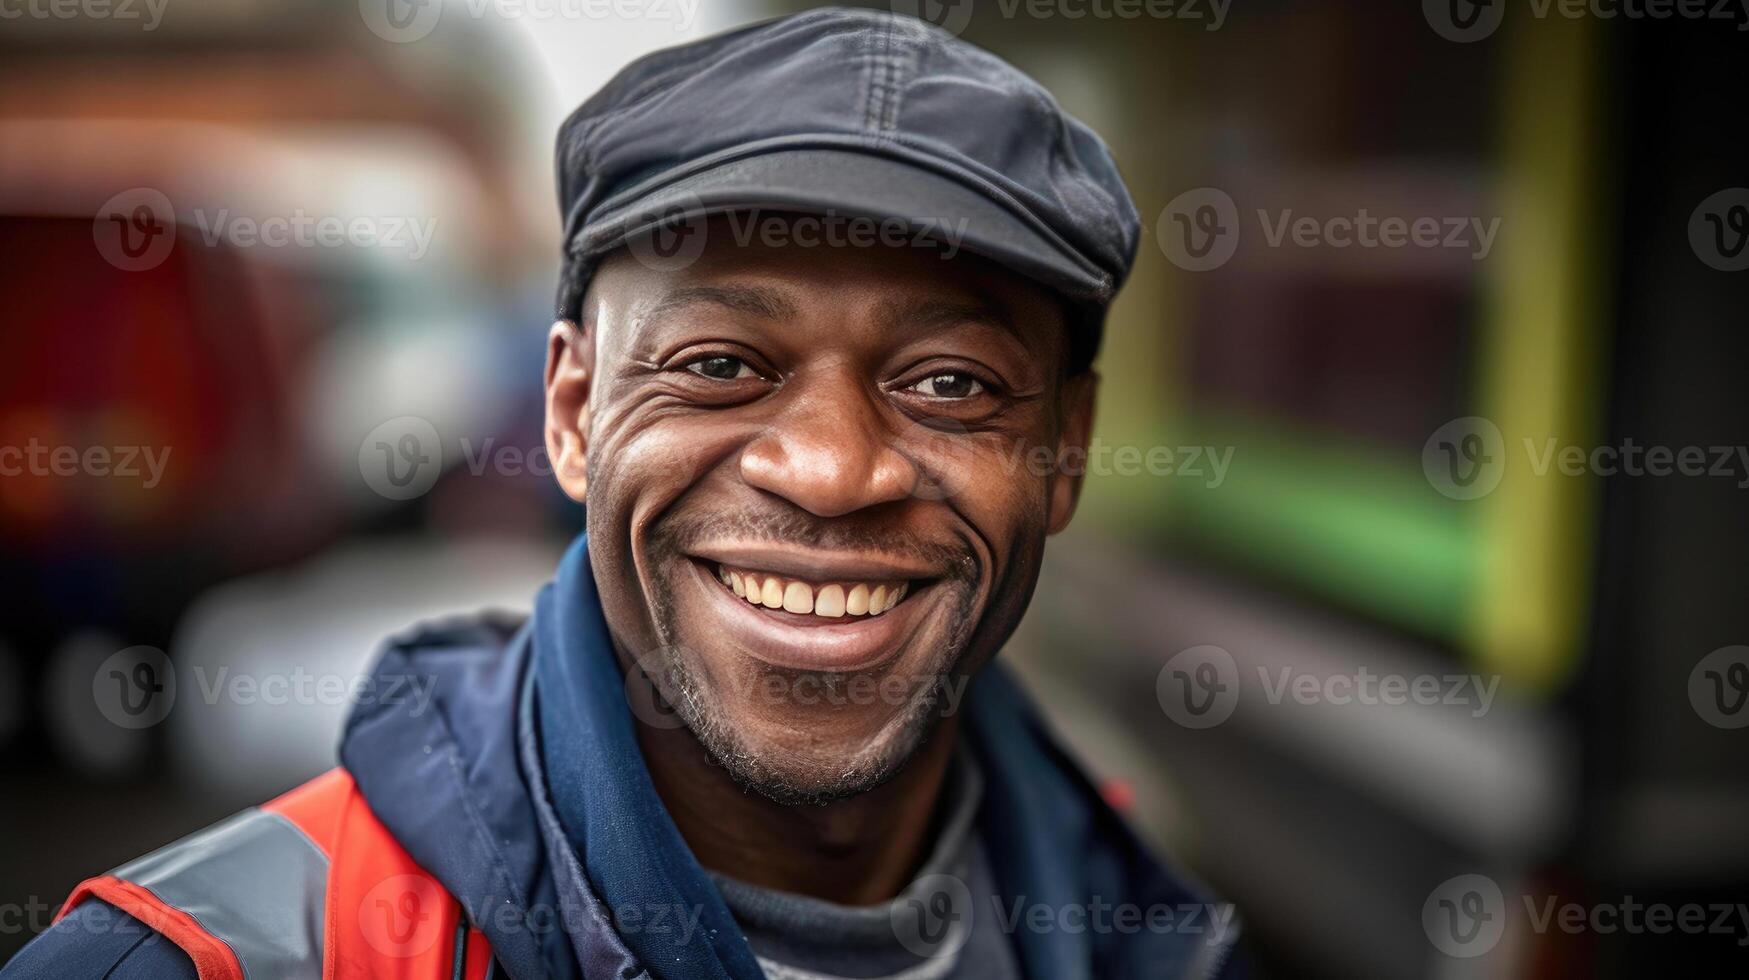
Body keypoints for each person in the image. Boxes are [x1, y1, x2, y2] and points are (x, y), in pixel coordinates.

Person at [3, 8, 1242, 978]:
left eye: (951, 382)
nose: (828, 468)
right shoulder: (207, 957)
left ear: (1066, 449)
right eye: (719, 366)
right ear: (573, 412)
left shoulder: (1142, 918)